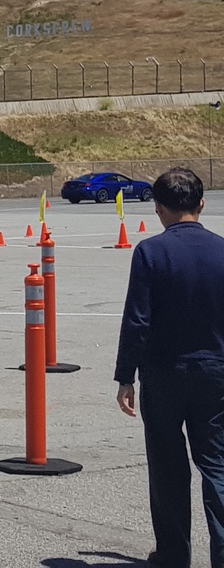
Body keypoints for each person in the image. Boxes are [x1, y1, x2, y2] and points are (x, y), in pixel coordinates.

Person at [115, 167, 224, 568]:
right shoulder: (222, 249)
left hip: (163, 374)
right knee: (217, 465)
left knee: (167, 467)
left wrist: (125, 375)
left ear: (159, 208)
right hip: (216, 371)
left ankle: (174, 554)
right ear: (201, 204)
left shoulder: (150, 252)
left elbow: (138, 321)